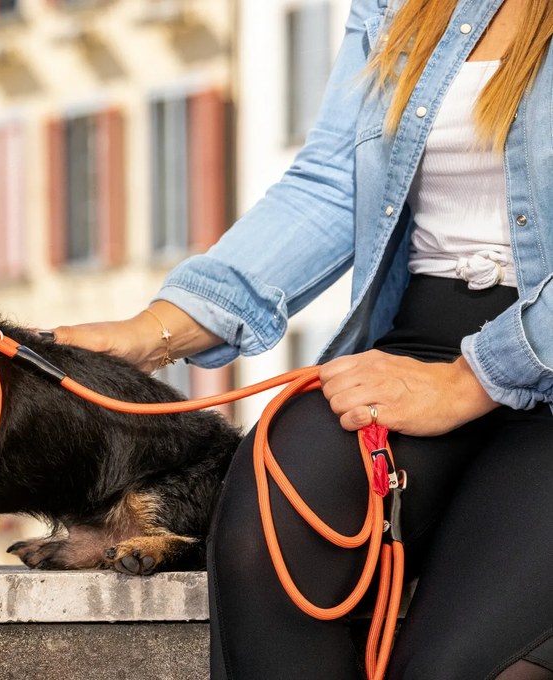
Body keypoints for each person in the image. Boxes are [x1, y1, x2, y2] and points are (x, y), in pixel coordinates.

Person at [48, 0, 553, 678]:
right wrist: (154, 332)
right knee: (268, 535)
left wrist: (473, 379)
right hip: (424, 339)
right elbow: (333, 179)